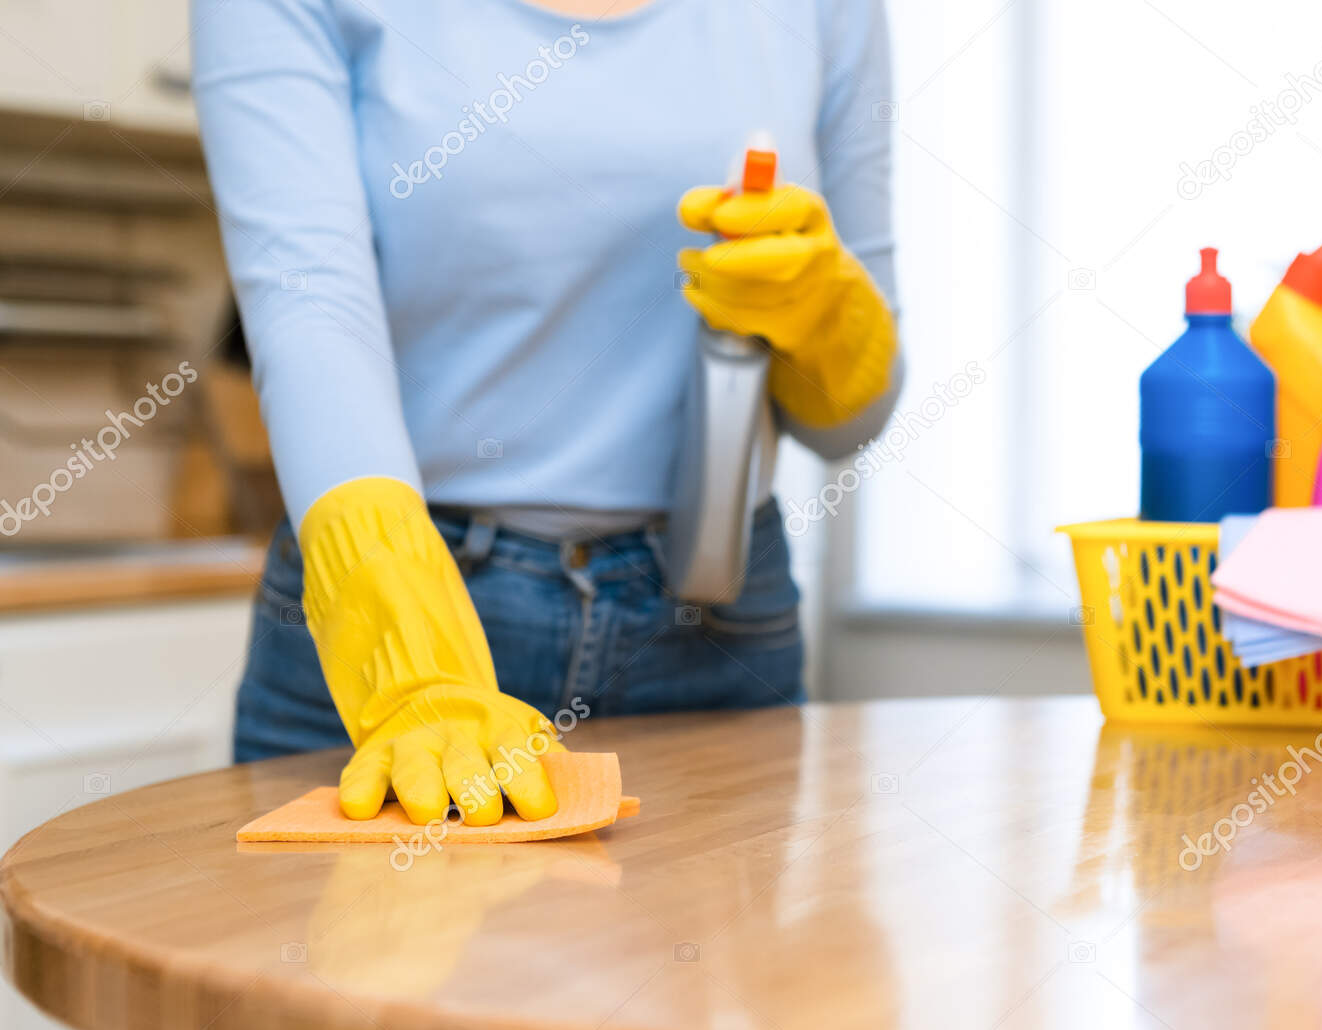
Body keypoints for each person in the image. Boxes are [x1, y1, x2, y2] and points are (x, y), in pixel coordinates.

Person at [191, 0, 901, 824]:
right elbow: (312, 306)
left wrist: (824, 318)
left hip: (713, 616)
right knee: (327, 952)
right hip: (392, 605)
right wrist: (417, 664)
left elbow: (850, 424)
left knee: (715, 959)